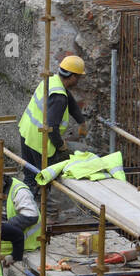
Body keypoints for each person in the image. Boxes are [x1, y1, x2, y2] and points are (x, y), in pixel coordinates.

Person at [18, 54, 90, 193]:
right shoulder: (59, 98)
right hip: (40, 144)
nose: (79, 80)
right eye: (79, 77)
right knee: (42, 181)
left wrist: (82, 122)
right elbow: (51, 128)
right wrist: (61, 145)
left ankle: (23, 208)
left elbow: (69, 99)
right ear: (73, 77)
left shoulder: (51, 80)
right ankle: (35, 211)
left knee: (30, 177)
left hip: (26, 134)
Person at [0, 166, 40, 252]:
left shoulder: (19, 191)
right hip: (6, 243)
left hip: (25, 243)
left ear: (1, 182)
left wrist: (5, 227)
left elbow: (31, 216)